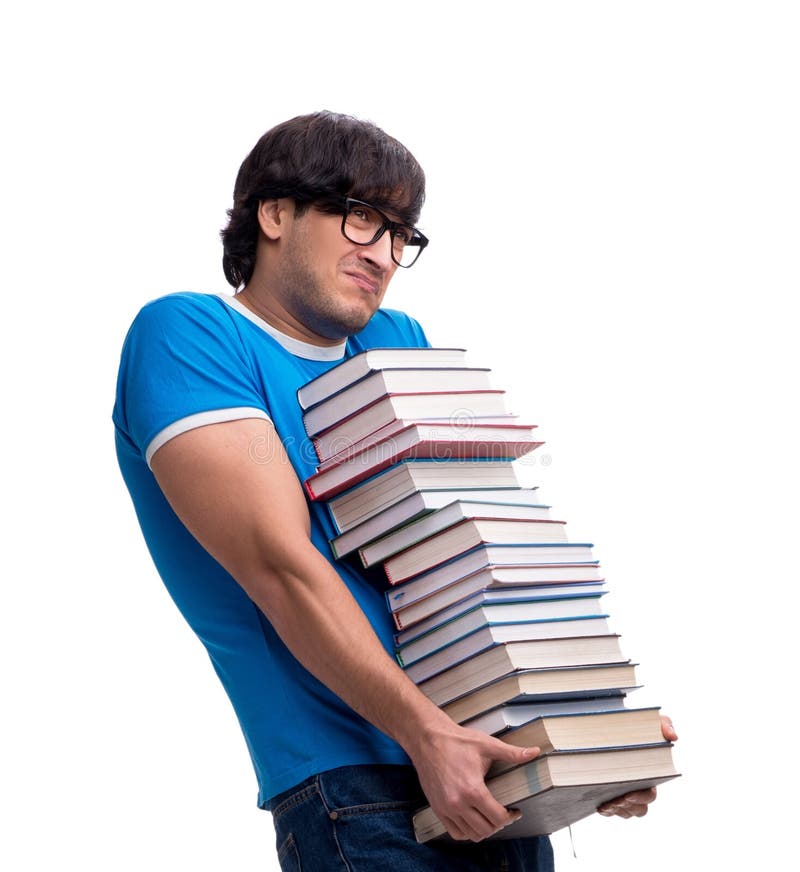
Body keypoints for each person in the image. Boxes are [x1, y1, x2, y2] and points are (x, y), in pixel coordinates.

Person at [113, 111, 676, 871]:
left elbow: (473, 558)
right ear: (275, 214)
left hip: (485, 766)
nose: (381, 252)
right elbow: (282, 567)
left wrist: (579, 735)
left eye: (400, 234)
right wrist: (426, 735)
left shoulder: (395, 341)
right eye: (361, 218)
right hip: (356, 786)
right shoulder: (192, 333)